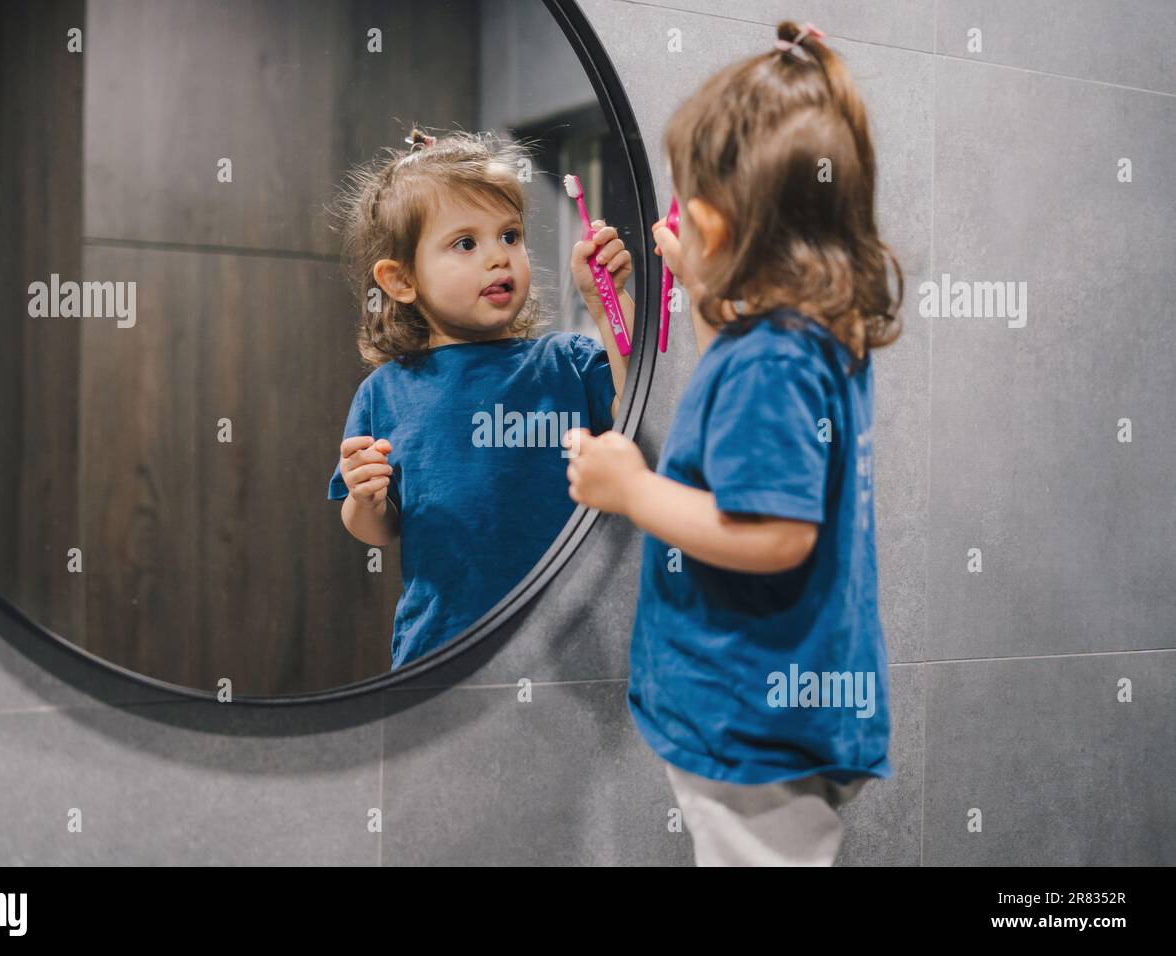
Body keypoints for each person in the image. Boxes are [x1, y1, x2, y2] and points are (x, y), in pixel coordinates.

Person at [565, 21, 905, 865]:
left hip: (755, 719)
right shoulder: (819, 335)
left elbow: (778, 534)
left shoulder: (771, 359)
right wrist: (701, 279)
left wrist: (633, 490)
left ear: (720, 224)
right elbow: (755, 409)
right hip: (789, 704)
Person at [328, 127, 632, 669]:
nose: (499, 258)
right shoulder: (386, 392)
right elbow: (378, 531)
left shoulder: (567, 363)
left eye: (509, 236)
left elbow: (645, 406)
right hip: (441, 655)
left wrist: (606, 301)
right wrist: (365, 499)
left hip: (576, 652)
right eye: (466, 243)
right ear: (400, 280)